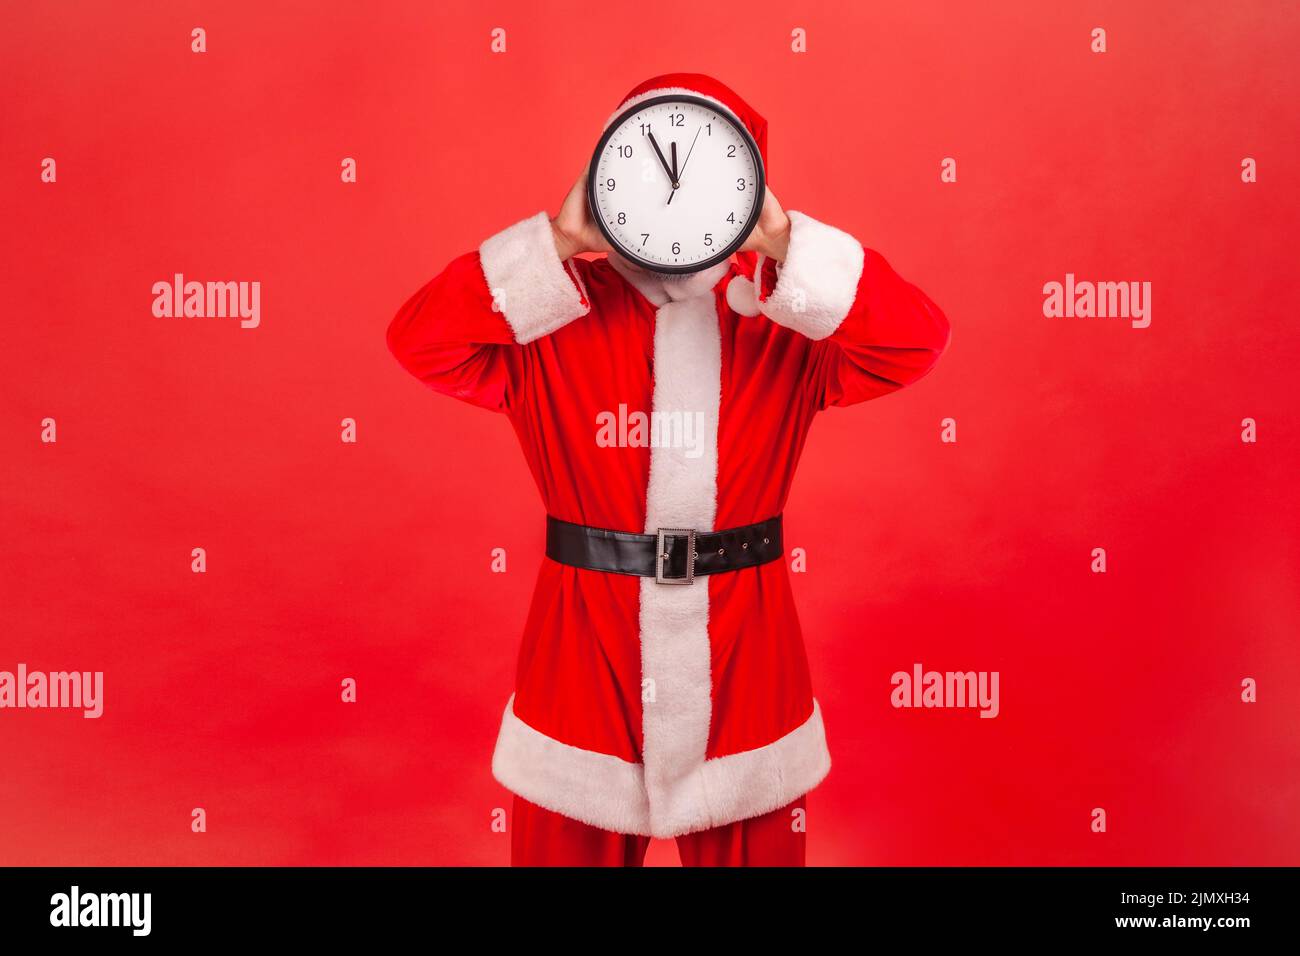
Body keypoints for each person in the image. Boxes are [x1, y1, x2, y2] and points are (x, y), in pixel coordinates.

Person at [387, 73, 950, 866]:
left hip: (748, 658)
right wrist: (552, 242)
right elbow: (420, 341)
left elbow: (916, 342)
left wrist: (786, 241)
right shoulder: (550, 311)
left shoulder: (784, 319)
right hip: (580, 657)